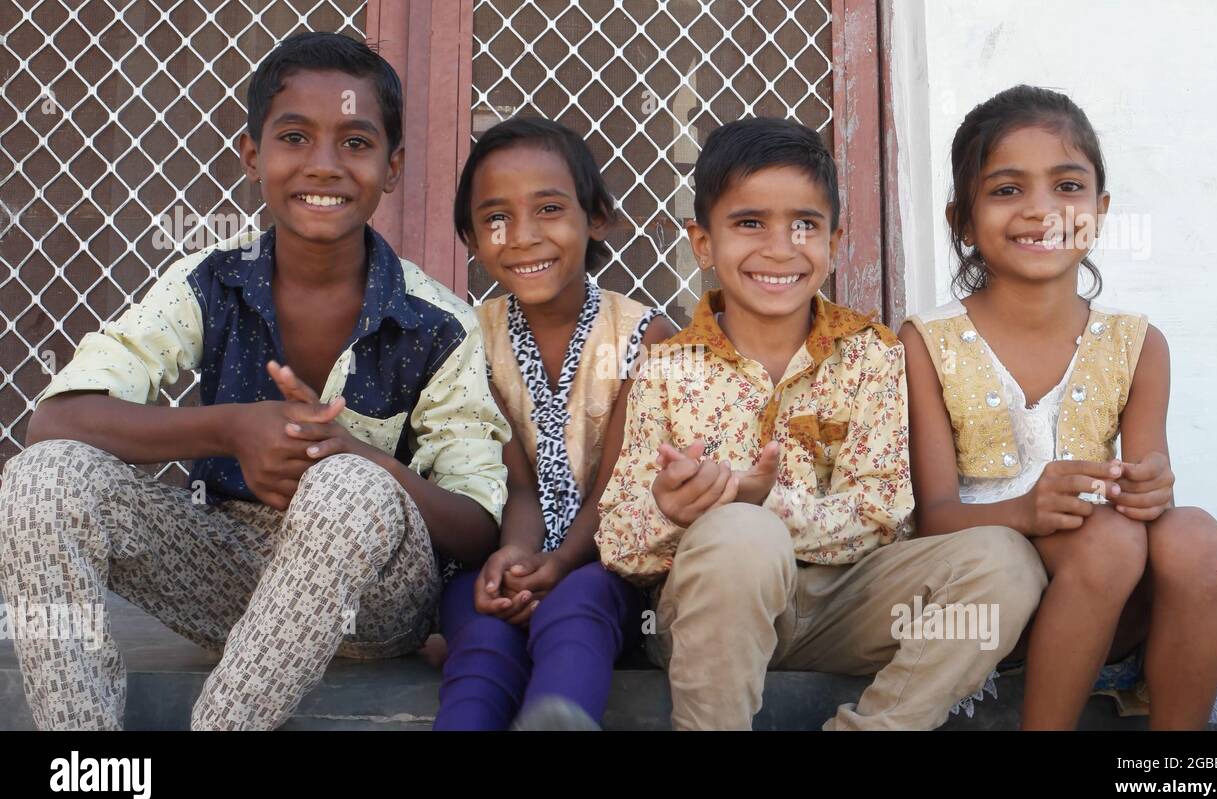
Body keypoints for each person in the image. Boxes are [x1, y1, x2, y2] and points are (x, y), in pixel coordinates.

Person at [0, 32, 509, 730]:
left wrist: (348, 454)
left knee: (347, 485)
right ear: (252, 157)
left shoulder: (439, 323)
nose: (324, 166)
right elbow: (54, 422)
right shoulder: (211, 282)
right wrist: (230, 428)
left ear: (392, 168)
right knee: (41, 477)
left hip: (373, 601)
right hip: (225, 582)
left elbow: (478, 525)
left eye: (355, 143)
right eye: (295, 137)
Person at [597, 116, 1046, 731]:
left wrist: (769, 504)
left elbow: (885, 512)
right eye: (749, 223)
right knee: (740, 538)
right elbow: (620, 541)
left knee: (1006, 561)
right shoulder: (667, 369)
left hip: (849, 607)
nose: (780, 248)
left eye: (804, 224)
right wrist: (683, 512)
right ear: (702, 242)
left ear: (835, 241)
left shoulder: (871, 355)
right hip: (712, 614)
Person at [900, 85, 1217, 729]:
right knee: (1106, 538)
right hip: (986, 608)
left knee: (1194, 537)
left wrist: (1149, 488)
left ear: (1100, 210)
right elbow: (931, 519)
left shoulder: (1138, 344)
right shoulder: (926, 343)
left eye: (1068, 186)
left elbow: (1147, 496)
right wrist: (1028, 511)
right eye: (1005, 190)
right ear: (961, 221)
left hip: (1112, 605)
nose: (1041, 211)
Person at [432, 117, 676, 730]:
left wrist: (562, 562)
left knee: (578, 611)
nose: (522, 237)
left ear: (594, 217)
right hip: (495, 560)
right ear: (470, 235)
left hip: (605, 567)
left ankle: (557, 718)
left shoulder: (645, 338)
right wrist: (515, 559)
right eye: (495, 218)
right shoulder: (467, 339)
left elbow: (621, 487)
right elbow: (514, 481)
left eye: (547, 209)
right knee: (483, 636)